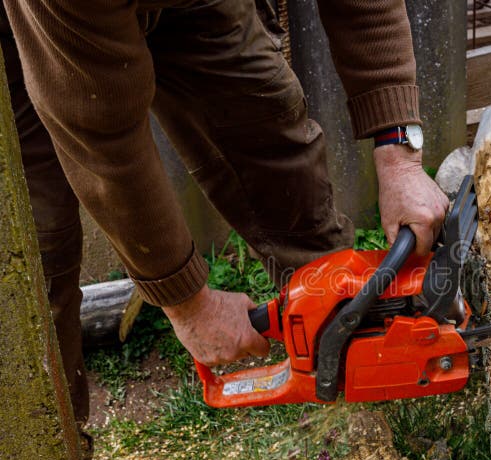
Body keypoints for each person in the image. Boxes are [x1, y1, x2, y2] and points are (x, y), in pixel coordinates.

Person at [0, 0, 449, 428]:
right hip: (37, 28)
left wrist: (400, 152)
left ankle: (344, 357)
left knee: (269, 130)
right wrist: (188, 304)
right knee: (36, 254)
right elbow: (101, 142)